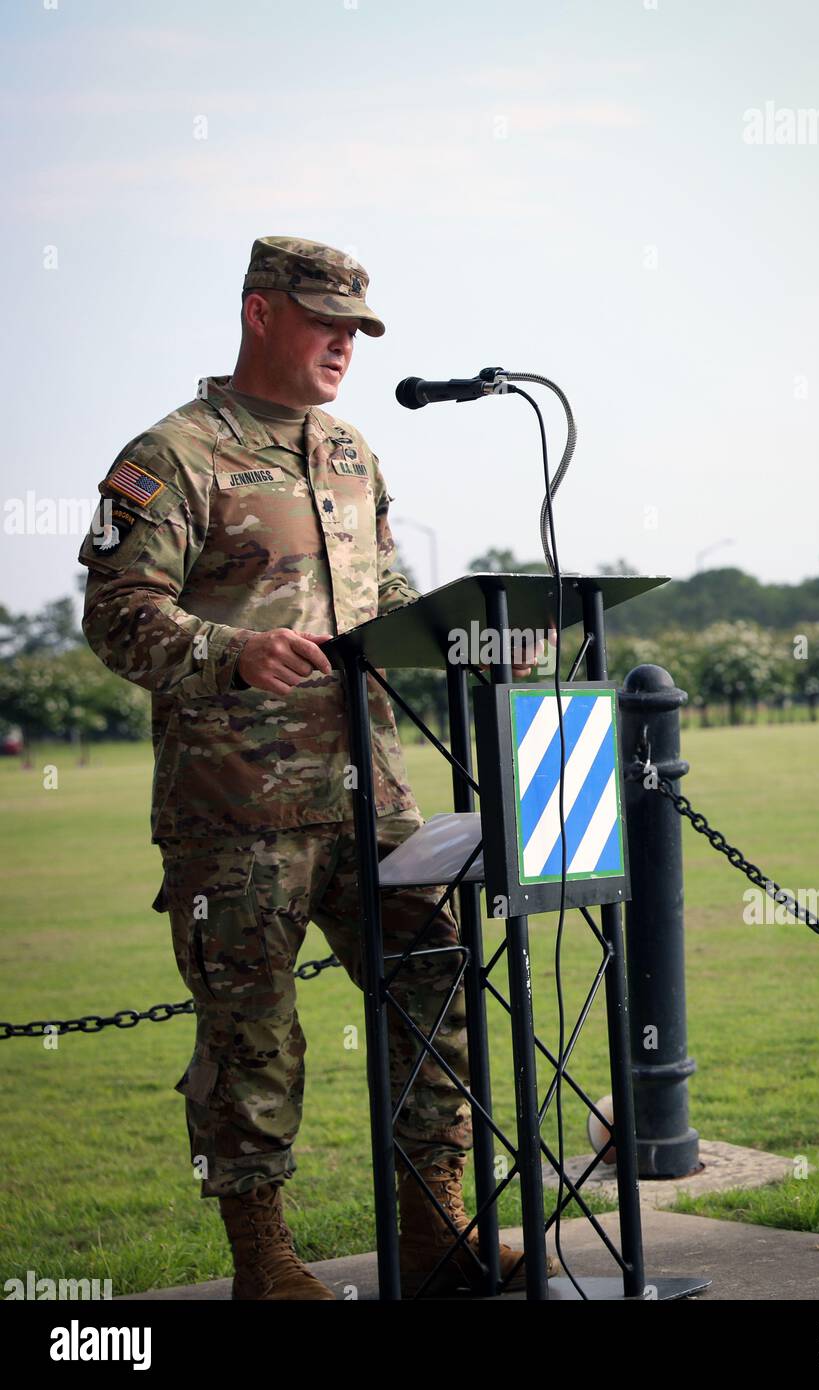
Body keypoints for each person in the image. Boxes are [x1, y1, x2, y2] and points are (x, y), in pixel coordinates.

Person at [77, 236, 556, 1300]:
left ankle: (437, 1230)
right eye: (324, 321)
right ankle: (266, 1265)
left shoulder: (351, 453)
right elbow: (114, 616)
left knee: (437, 987)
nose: (345, 344)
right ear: (259, 314)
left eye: (358, 329)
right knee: (252, 1038)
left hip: (374, 797)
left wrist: (474, 636)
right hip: (236, 809)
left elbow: (384, 601)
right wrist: (228, 650)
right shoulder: (174, 454)